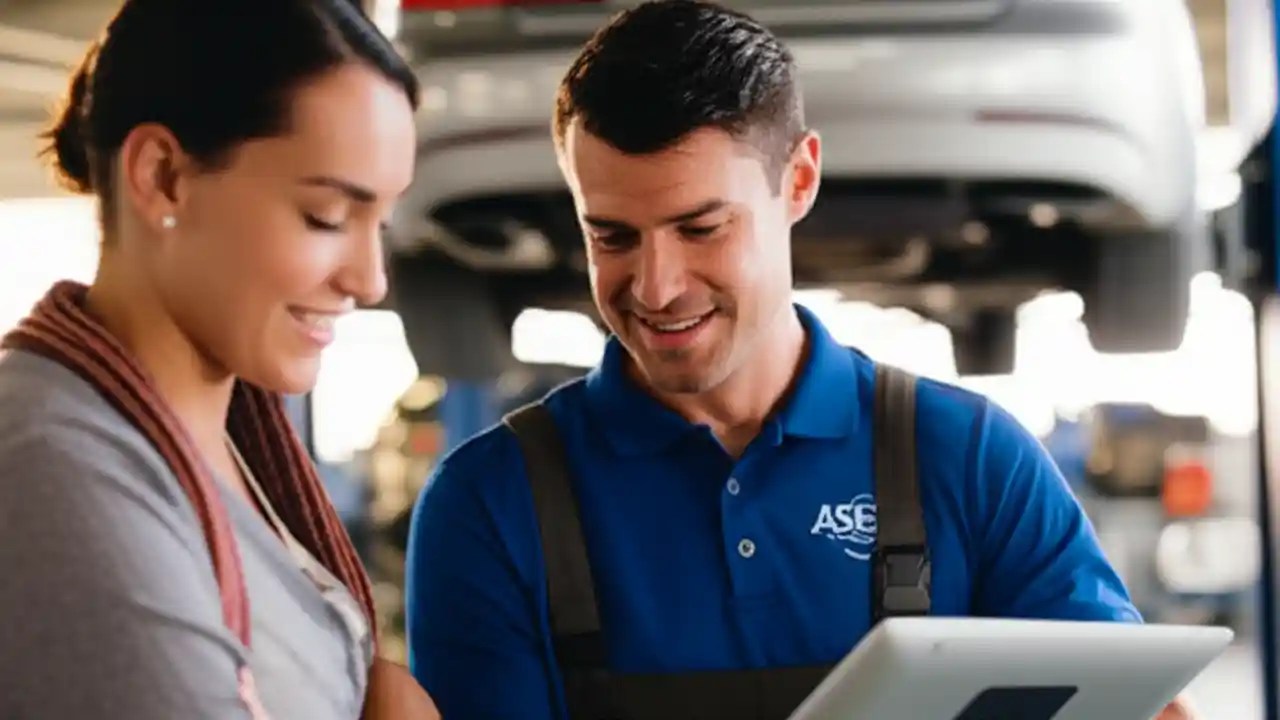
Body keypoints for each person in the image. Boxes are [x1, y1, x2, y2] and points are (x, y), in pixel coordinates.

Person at [403, 2, 1197, 719]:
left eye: (701, 227)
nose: (656, 286)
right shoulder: (490, 508)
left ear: (800, 180)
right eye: (612, 236)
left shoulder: (971, 461)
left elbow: (1115, 701)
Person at [0, 1, 438, 718]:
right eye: (326, 217)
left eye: (380, 224)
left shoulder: (233, 445)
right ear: (163, 175)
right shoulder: (52, 468)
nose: (370, 279)